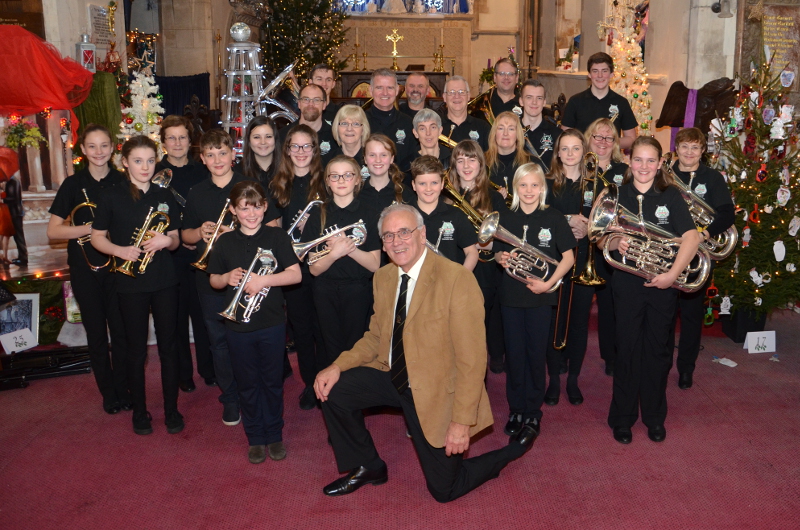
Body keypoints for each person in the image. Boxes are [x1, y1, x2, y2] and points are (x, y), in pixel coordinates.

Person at [313, 203, 537, 502]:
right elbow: (375, 337)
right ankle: (368, 466)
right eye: (389, 236)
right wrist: (337, 366)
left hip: (435, 388)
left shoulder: (456, 278)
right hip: (394, 375)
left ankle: (511, 451)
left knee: (445, 490)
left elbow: (472, 361)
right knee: (332, 388)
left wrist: (461, 422)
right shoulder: (383, 277)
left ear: (422, 234)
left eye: (404, 232)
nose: (396, 241)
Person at [600, 136, 701, 444]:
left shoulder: (670, 195)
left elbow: (692, 237)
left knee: (658, 351)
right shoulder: (617, 195)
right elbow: (601, 238)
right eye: (638, 160)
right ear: (629, 162)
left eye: (650, 160)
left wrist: (672, 275)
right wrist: (617, 241)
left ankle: (655, 417)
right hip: (627, 283)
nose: (643, 166)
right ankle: (623, 417)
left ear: (660, 164)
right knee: (627, 349)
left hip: (662, 285)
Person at [182, 129, 280, 426]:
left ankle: (258, 393)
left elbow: (273, 227)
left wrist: (235, 232)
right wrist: (199, 232)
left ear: (233, 154)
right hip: (213, 280)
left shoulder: (249, 185)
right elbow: (185, 236)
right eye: (210, 155)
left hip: (251, 279)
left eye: (222, 153)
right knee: (219, 342)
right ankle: (231, 397)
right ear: (202, 159)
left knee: (253, 340)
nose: (217, 160)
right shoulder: (197, 192)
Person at [91, 135, 183, 436]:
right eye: (138, 161)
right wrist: (119, 251)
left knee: (169, 347)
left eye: (150, 161)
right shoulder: (111, 196)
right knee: (136, 350)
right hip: (130, 283)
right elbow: (97, 237)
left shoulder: (164, 195)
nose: (145, 167)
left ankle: (172, 410)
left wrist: (166, 241)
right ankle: (140, 411)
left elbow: (176, 239)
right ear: (125, 163)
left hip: (164, 280)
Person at [208, 181, 302, 463]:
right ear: (233, 210)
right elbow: (213, 280)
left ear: (265, 207)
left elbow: (296, 274)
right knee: (247, 383)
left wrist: (264, 280)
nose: (251, 214)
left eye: (257, 207)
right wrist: (226, 278)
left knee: (272, 382)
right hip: (238, 327)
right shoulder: (225, 242)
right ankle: (255, 437)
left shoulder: (277, 237)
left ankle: (274, 434)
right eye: (244, 208)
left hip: (271, 324)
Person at [47, 124, 129, 415]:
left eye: (104, 145)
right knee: (96, 334)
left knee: (121, 332)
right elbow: (54, 231)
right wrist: (91, 229)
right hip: (84, 269)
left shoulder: (123, 181)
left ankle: (124, 388)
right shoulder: (72, 184)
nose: (98, 151)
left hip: (118, 268)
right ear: (82, 149)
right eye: (92, 146)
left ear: (113, 148)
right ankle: (108, 393)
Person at [496, 163, 576, 437]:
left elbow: (568, 258)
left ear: (542, 188)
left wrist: (548, 284)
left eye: (534, 185)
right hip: (511, 297)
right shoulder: (505, 217)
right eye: (523, 185)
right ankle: (516, 409)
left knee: (535, 355)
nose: (528, 190)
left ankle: (532, 412)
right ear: (515, 188)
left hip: (541, 298)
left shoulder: (553, 217)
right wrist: (501, 257)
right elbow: (497, 252)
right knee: (514, 355)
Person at [667, 127, 735, 389]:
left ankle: (686, 368)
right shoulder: (665, 175)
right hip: (667, 251)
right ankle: (661, 363)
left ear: (702, 151)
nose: (689, 152)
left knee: (692, 315)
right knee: (664, 313)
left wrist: (703, 234)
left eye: (695, 147)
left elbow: (727, 214)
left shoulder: (712, 178)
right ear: (677, 148)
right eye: (684, 146)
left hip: (699, 255)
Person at [302, 155, 381, 368]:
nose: (341, 180)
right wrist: (334, 253)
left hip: (358, 290)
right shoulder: (318, 214)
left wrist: (349, 249)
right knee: (329, 346)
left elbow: (375, 265)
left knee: (357, 347)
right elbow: (314, 270)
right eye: (335, 176)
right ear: (327, 181)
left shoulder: (369, 214)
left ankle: (355, 388)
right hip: (325, 290)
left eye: (347, 175)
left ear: (357, 179)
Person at [270, 124, 328, 410]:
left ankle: (328, 382)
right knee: (302, 331)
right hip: (294, 269)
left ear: (315, 150)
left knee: (325, 328)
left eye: (307, 146)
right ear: (287, 150)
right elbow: (273, 229)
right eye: (295, 146)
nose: (301, 151)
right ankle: (309, 383)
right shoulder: (278, 185)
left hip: (324, 265)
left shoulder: (326, 182)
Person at [156, 115, 215, 393]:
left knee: (204, 315)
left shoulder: (202, 171)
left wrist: (196, 236)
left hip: (200, 251)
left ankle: (209, 368)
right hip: (169, 257)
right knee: (176, 318)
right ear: (163, 142)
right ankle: (183, 373)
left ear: (190, 141)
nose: (177, 142)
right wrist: (178, 238)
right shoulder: (155, 173)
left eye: (182, 137)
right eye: (171, 137)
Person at [446, 140, 507, 374]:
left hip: (484, 269)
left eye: (472, 160)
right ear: (454, 165)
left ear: (481, 164)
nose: (466, 165)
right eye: (460, 160)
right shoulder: (444, 196)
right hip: (453, 266)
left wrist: (481, 243)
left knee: (481, 320)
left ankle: (481, 368)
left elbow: (501, 238)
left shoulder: (494, 197)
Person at [544, 129, 596, 405]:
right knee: (554, 321)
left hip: (585, 258)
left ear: (584, 152)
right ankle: (553, 379)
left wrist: (589, 228)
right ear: (557, 153)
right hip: (555, 259)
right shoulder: (547, 182)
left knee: (578, 322)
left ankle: (573, 379)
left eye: (576, 148)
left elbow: (605, 220)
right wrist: (568, 220)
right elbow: (541, 216)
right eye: (564, 148)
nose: (570, 154)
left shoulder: (594, 183)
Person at [585, 118, 628, 376]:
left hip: (613, 244)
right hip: (583, 244)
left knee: (610, 305)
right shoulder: (581, 168)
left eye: (608, 138)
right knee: (580, 306)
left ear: (615, 143)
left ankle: (611, 356)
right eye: (597, 136)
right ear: (589, 139)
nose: (602, 142)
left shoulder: (624, 171)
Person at [410, 155, 478, 269]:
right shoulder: (404, 216)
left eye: (434, 183)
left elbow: (472, 252)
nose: (428, 189)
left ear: (442, 184)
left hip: (448, 278)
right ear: (413, 185)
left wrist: (461, 277)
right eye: (422, 183)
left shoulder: (456, 215)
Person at [561, 52, 638, 150]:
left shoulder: (621, 103)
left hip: (611, 157)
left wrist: (609, 142)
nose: (600, 75)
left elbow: (631, 139)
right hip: (582, 157)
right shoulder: (575, 101)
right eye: (595, 71)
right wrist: (587, 143)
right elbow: (564, 136)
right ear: (589, 74)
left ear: (611, 74)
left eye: (604, 71)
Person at [364, 69, 418, 172]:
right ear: (371, 90)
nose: (385, 93)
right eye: (379, 88)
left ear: (397, 90)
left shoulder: (408, 123)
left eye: (390, 88)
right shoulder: (360, 122)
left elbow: (412, 162)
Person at [278, 83, 336, 162]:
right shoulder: (283, 135)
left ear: (324, 105)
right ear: (299, 103)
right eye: (306, 99)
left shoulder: (335, 136)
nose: (311, 104)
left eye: (316, 100)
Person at [358, 134, 415, 209]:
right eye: (372, 155)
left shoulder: (405, 194)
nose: (378, 160)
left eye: (383, 155)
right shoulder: (356, 194)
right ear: (365, 159)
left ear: (391, 159)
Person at [519, 79, 562, 170]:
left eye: (539, 98)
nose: (534, 102)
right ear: (521, 101)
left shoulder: (557, 134)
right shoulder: (511, 132)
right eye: (529, 97)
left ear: (544, 102)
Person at [486, 111, 530, 198]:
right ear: (494, 133)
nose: (505, 133)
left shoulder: (530, 163)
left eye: (511, 129)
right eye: (501, 128)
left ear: (517, 134)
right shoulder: (482, 162)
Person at [440, 76, 491, 151]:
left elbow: (490, 156)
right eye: (452, 92)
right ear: (444, 97)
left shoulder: (483, 127)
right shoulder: (435, 126)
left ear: (468, 96)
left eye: (461, 92)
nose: (457, 96)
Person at [236, 115, 280, 188]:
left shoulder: (289, 170)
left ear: (275, 139)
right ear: (249, 140)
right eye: (257, 137)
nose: (263, 142)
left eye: (268, 136)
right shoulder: (237, 174)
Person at [329, 104, 370, 172]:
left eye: (356, 124)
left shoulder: (372, 159)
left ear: (363, 129)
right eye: (344, 123)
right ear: (337, 128)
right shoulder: (326, 160)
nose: (349, 129)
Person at [4, 175, 27, 266]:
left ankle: (23, 258)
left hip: (16, 212)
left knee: (19, 236)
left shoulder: (15, 182)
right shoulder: (9, 182)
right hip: (12, 212)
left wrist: (4, 197)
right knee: (16, 236)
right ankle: (21, 257)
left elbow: (16, 198)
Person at [0, 182, 14, 264]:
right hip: (2, 211)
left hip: (4, 210)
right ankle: (4, 256)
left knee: (4, 234)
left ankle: (4, 256)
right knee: (4, 234)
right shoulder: (2, 191)